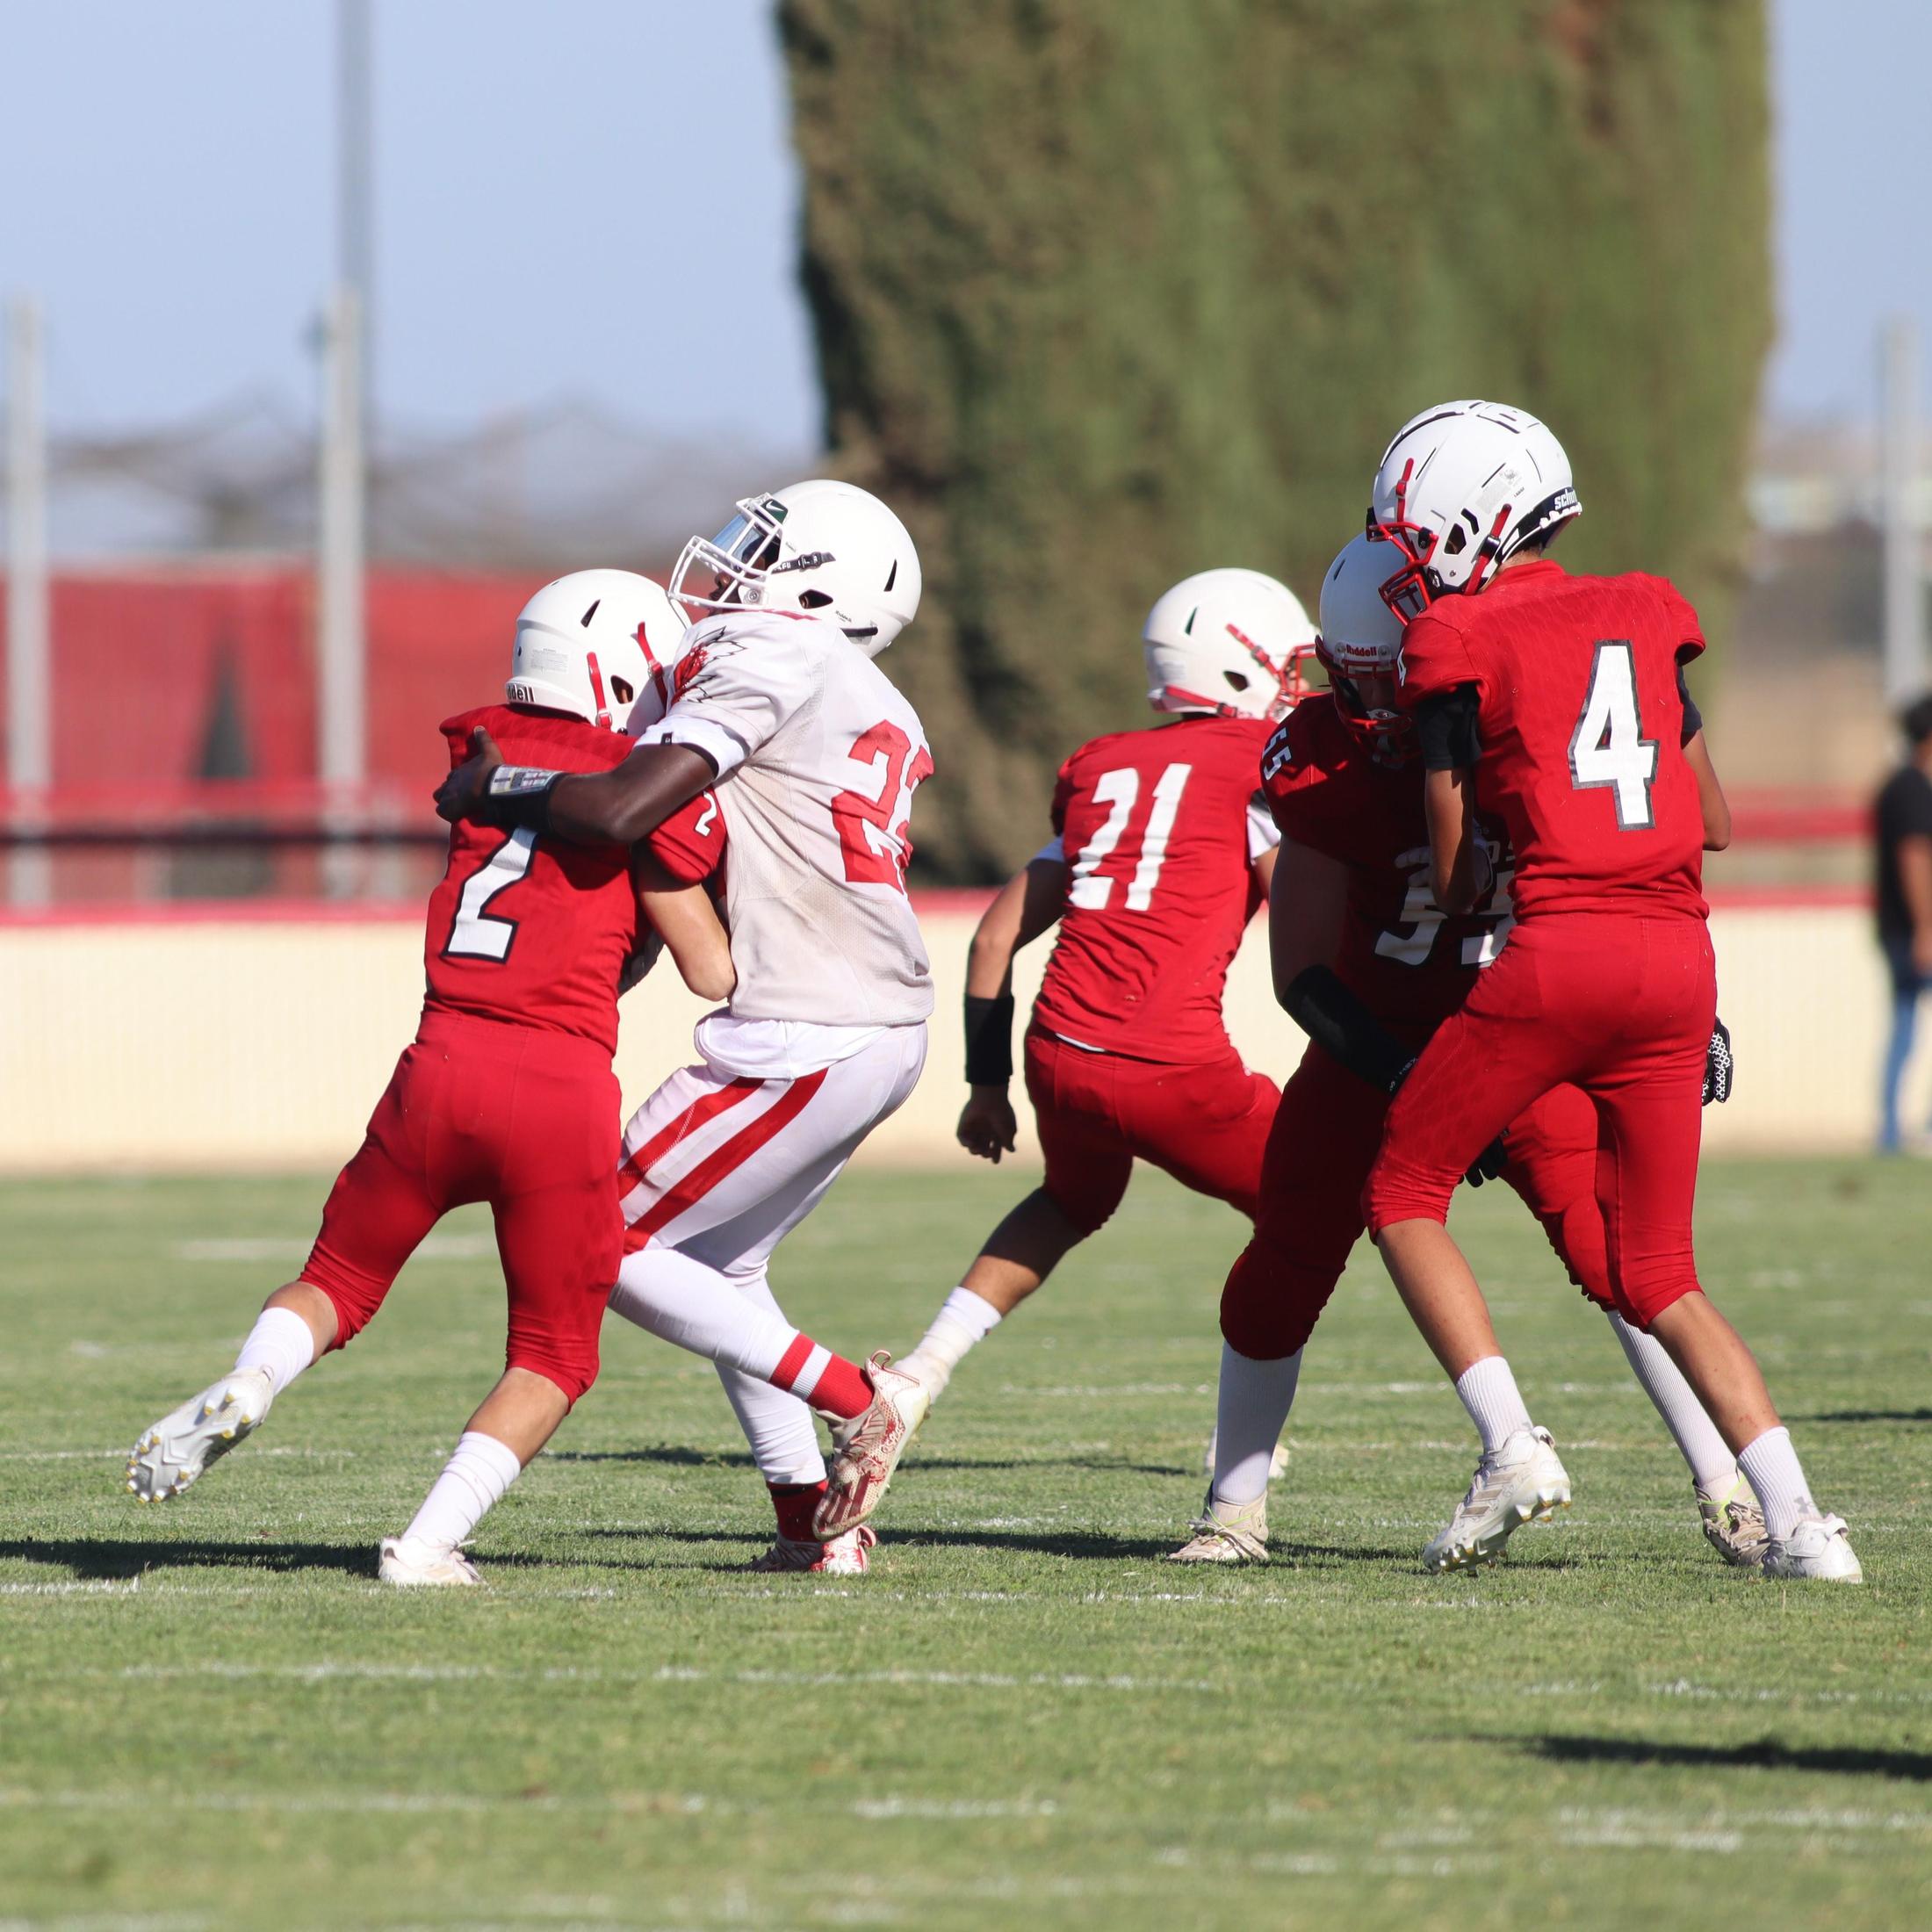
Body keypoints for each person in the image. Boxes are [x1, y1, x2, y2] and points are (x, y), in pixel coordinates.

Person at [126, 572, 734, 1586]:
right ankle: (425, 1542)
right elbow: (710, 969)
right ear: (624, 669)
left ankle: (255, 1376)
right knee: (552, 1354)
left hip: (439, 1061)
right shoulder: (634, 779)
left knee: (336, 1280)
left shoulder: (482, 753)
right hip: (557, 1084)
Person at [1172, 531, 1764, 1571]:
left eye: (1394, 681)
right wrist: (1417, 1083)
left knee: (1623, 1257)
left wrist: (1687, 1020)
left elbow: (1640, 872)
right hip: (1379, 1037)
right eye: (1363, 683)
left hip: (1526, 1017)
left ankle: (1734, 1494)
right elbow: (1301, 975)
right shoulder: (1325, 754)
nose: (1383, 710)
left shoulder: (1528, 705)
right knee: (1281, 1263)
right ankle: (1234, 1507)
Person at [1359, 400, 1859, 1582]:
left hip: (1559, 954)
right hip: (1681, 962)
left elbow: (1453, 874)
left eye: (1416, 535)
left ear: (1468, 520)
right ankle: (1803, 1526)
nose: (1412, 562)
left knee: (1402, 1186)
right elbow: (1715, 819)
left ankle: (1509, 1448)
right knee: (1660, 1274)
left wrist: (1486, 814)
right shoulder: (1644, 606)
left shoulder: (1458, 635)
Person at [435, 482, 936, 1572]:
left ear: (823, 587)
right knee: (723, 1269)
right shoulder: (876, 697)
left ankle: (860, 1396)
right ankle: (814, 1530)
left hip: (806, 1025)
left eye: (767, 546)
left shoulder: (774, 648)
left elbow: (625, 805)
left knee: (591, 1237)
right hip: (873, 1024)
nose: (733, 561)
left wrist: (499, 784)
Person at [872, 571, 1312, 1455]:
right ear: (1241, 668)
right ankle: (1246, 1450)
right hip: (1172, 1065)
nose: (1298, 685)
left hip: (1060, 1055)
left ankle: (920, 1370)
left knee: (1071, 1200)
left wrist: (987, 1088)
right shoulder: (1255, 766)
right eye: (1289, 666)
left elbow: (993, 940)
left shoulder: (1102, 770)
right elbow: (1305, 928)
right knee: (1319, 1212)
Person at [1874, 693, 1932, 1151]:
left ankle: (1892, 1130)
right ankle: (1895, 1130)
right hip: (1913, 929)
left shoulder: (1895, 784)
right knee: (1905, 1027)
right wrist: (1926, 929)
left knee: (1904, 1025)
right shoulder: (1913, 787)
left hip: (1898, 927)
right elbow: (1914, 858)